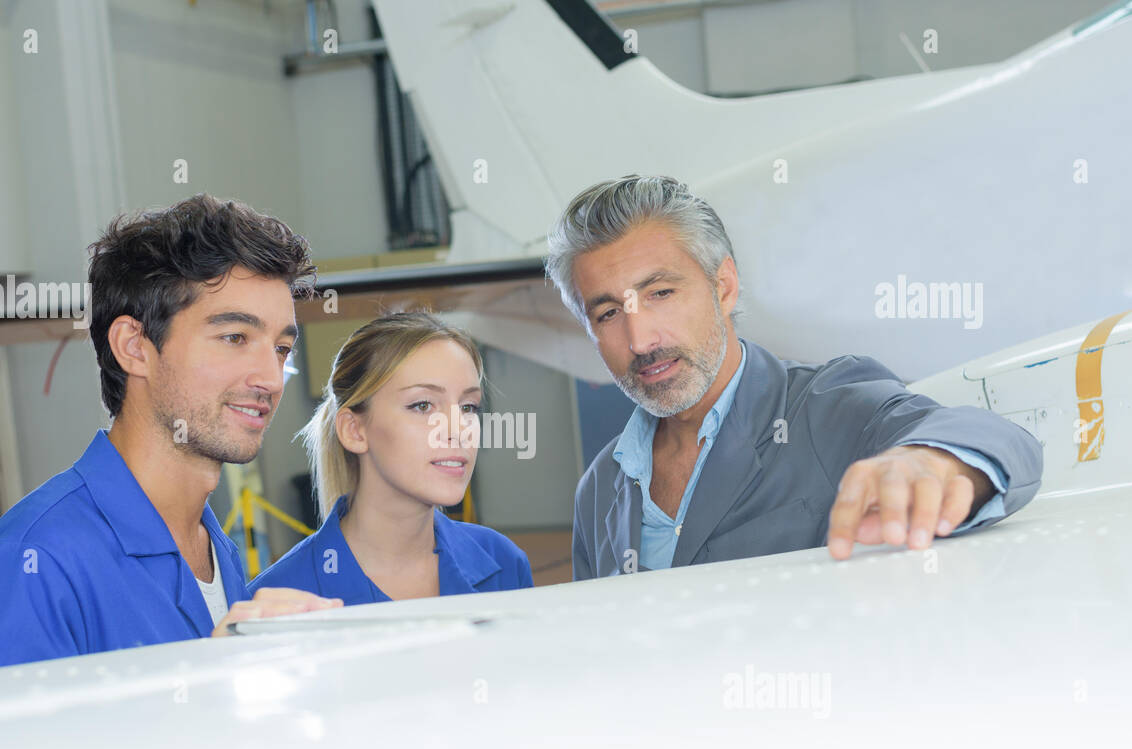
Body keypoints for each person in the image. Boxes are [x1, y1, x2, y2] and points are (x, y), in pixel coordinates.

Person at [544, 175, 1044, 579]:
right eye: (608, 314)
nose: (640, 340)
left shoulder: (824, 406)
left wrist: (934, 461)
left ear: (724, 287)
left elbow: (997, 438)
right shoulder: (599, 488)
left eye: (661, 294)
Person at [0, 194, 341, 673]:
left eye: (279, 348)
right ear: (134, 347)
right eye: (235, 338)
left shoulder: (219, 552)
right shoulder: (31, 566)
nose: (272, 379)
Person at [252, 312, 533, 604]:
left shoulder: (505, 564)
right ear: (355, 430)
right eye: (423, 405)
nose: (458, 430)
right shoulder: (280, 597)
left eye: (468, 407)